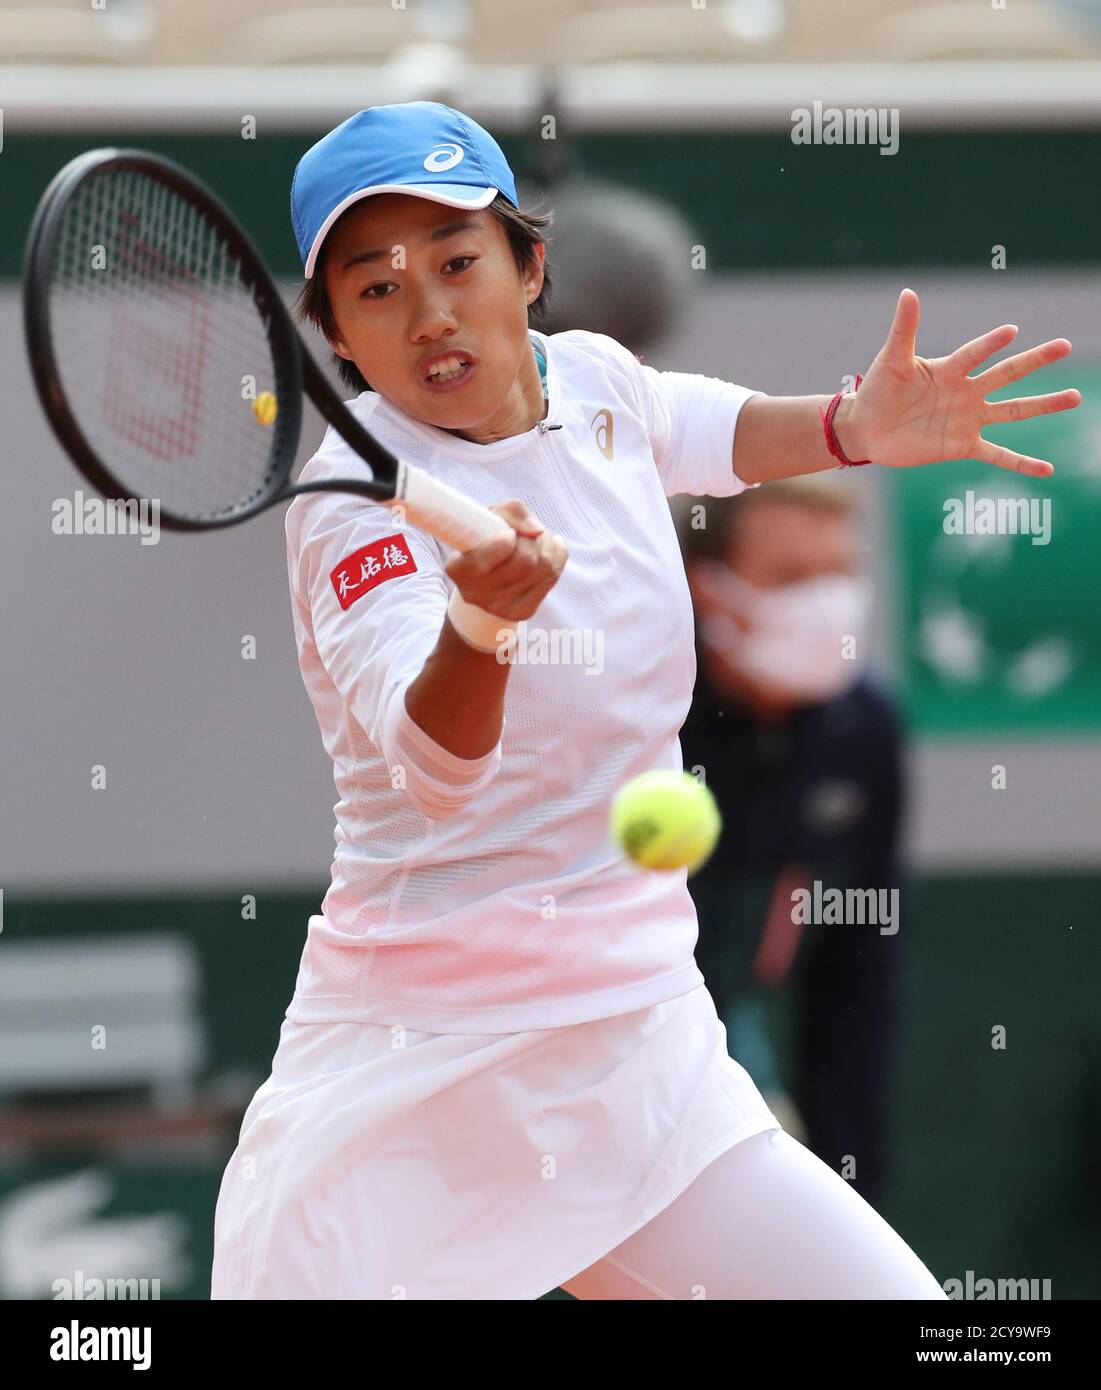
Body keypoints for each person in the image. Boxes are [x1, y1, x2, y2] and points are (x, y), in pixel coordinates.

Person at [210, 101, 1079, 1300]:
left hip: (639, 1051)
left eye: (459, 263)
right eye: (377, 289)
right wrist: (482, 625)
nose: (431, 315)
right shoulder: (348, 506)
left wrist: (852, 425)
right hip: (407, 1073)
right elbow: (434, 764)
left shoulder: (601, 384)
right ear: (340, 337)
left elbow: (707, 429)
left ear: (530, 265)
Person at [680, 474, 909, 1208]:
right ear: (705, 587)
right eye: (788, 578)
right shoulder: (631, 717)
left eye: (839, 574)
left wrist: (852, 1186)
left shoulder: (865, 731)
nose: (825, 603)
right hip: (566, 1067)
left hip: (729, 1058)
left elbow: (855, 981)